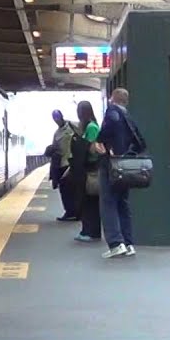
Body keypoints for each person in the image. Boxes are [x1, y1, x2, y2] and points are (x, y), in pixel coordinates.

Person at [98, 89, 140, 259]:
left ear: (112, 99)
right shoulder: (128, 117)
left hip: (111, 166)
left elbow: (104, 135)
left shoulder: (112, 112)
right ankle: (129, 244)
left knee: (108, 202)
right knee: (123, 203)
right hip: (126, 167)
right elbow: (140, 143)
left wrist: (101, 143)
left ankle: (115, 243)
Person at [72, 101, 102, 243]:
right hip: (87, 169)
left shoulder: (91, 127)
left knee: (89, 201)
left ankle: (91, 231)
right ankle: (88, 230)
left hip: (90, 170)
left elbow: (91, 148)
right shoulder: (88, 126)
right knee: (89, 202)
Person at [51, 110, 79, 221]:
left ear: (62, 116)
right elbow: (54, 147)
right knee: (64, 190)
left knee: (74, 189)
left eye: (57, 117)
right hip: (62, 164)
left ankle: (76, 212)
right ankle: (69, 211)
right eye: (54, 119)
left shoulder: (73, 126)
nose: (56, 120)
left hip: (73, 162)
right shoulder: (56, 133)